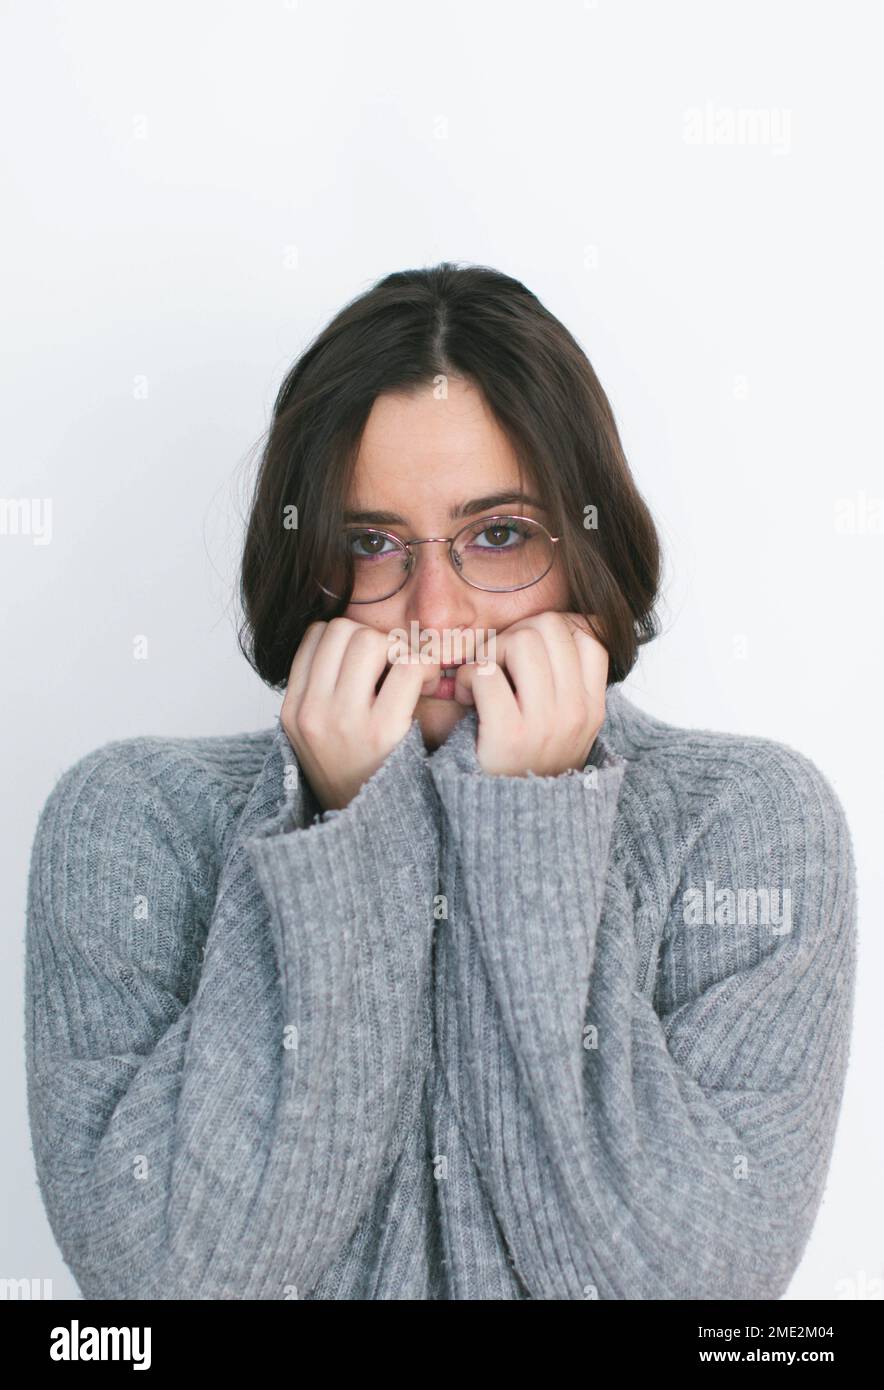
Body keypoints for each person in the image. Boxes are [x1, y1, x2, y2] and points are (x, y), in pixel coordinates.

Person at [25, 262, 856, 1299]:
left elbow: (684, 1299)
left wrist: (531, 832)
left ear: (585, 547)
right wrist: (340, 832)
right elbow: (172, 1286)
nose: (436, 611)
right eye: (370, 543)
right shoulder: (134, 823)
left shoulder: (745, 823)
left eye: (497, 534)